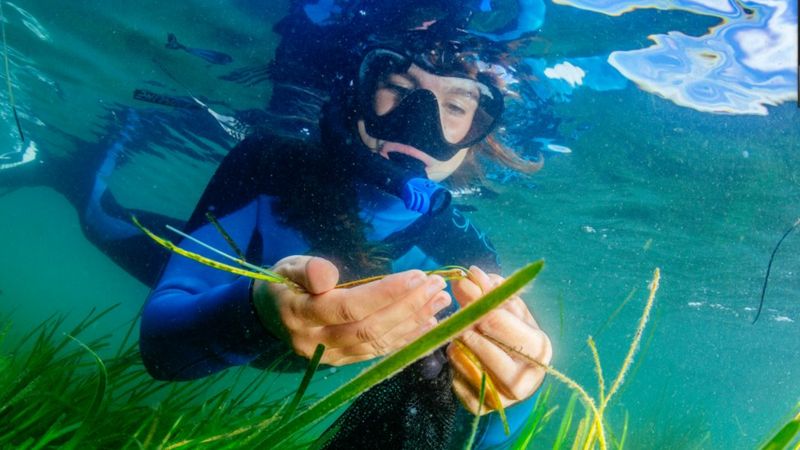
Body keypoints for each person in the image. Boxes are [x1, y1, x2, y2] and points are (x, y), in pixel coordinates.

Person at [139, 15, 552, 448]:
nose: (418, 123)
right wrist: (256, 313)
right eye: (398, 88)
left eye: (455, 107)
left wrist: (513, 392)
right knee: (103, 225)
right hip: (217, 285)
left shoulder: (462, 251)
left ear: (475, 137)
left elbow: (478, 423)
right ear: (360, 93)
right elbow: (162, 350)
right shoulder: (268, 163)